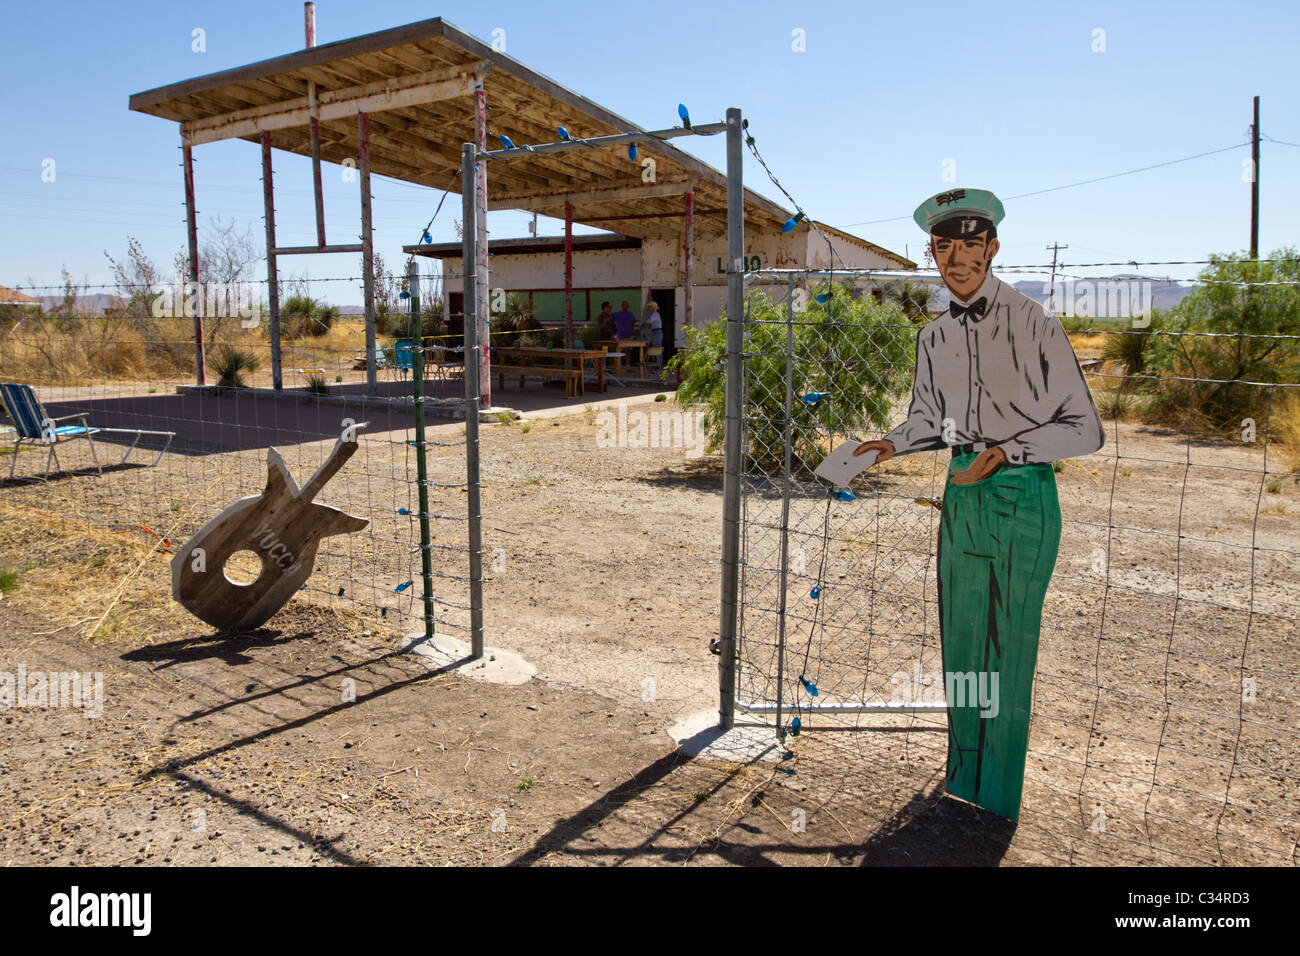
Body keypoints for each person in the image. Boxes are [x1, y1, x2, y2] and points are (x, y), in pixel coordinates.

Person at [853, 187, 1104, 822]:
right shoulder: (933, 338)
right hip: (961, 493)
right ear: (932, 254)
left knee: (1009, 644)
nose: (957, 257)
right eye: (944, 246)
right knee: (962, 643)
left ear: (992, 248)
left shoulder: (1034, 323)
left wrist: (1010, 451)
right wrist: (888, 445)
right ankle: (964, 777)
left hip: (1022, 493)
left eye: (970, 244)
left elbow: (1084, 428)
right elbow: (929, 423)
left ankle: (998, 794)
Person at [643, 301, 664, 373]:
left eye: (650, 306)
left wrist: (645, 322)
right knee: (655, 350)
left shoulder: (655, 314)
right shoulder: (654, 314)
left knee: (657, 350)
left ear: (654, 307)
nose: (649, 308)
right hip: (655, 332)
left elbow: (650, 321)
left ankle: (660, 368)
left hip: (657, 332)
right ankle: (657, 368)